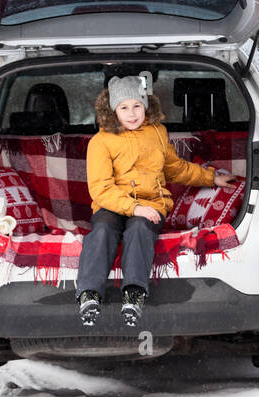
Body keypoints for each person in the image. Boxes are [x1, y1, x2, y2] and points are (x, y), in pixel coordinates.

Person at [74, 71, 236, 327]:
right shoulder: (101, 142)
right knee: (103, 229)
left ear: (146, 105)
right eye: (124, 107)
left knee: (139, 229)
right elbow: (101, 188)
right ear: (113, 110)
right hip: (112, 203)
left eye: (137, 105)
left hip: (152, 204)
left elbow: (174, 168)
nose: (132, 113)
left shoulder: (157, 132)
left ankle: (134, 293)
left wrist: (211, 178)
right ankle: (89, 294)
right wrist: (133, 207)